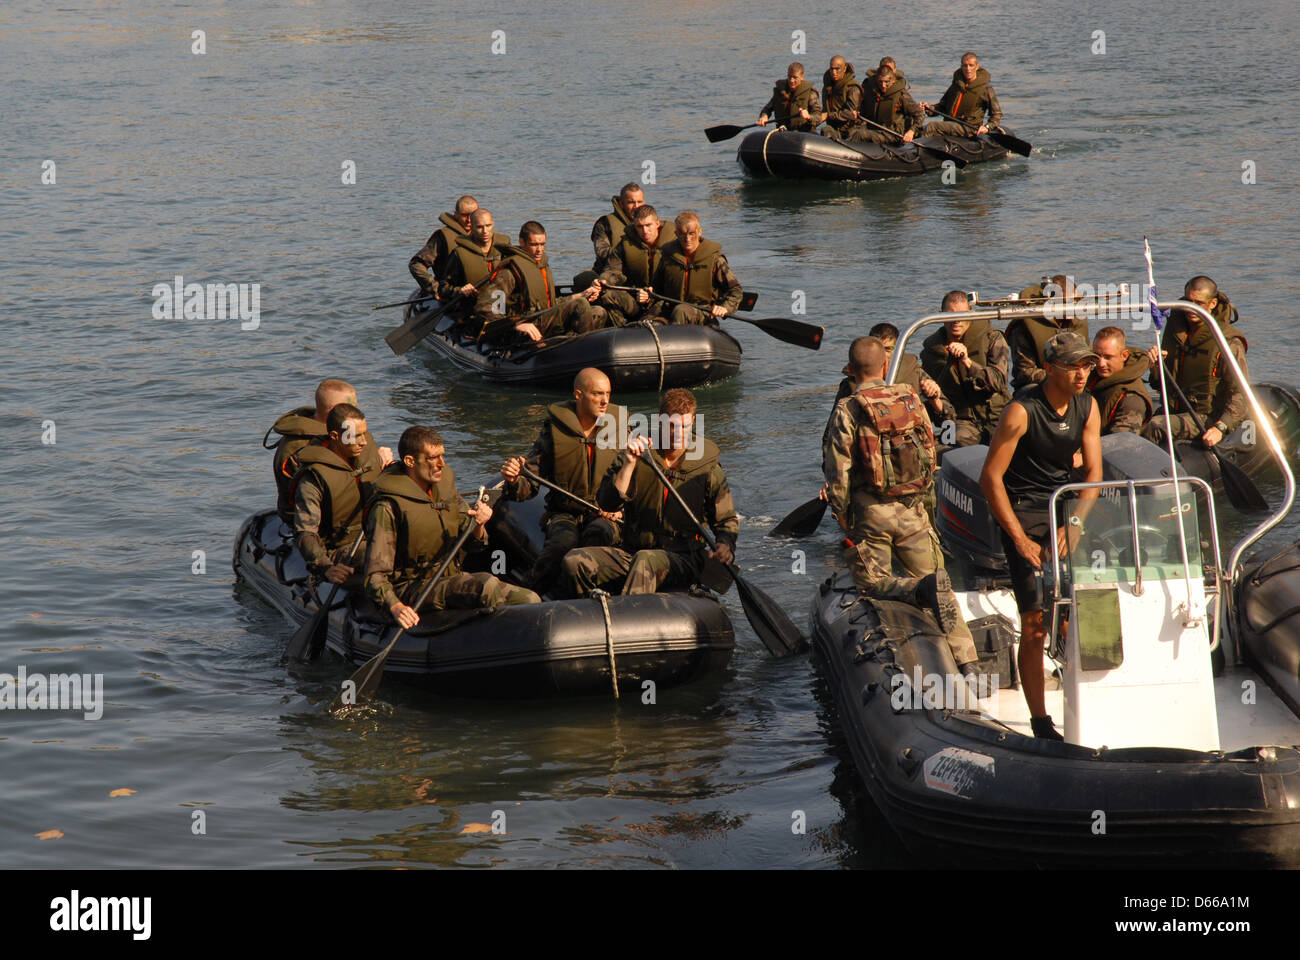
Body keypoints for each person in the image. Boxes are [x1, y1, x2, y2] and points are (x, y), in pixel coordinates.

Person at [824, 336, 979, 672]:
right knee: (943, 589)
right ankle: (969, 662)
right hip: (914, 510)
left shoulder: (848, 409)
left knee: (872, 587)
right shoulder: (910, 398)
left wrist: (844, 516)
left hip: (871, 514)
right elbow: (929, 451)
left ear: (851, 370)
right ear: (884, 365)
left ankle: (901, 662)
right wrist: (926, 505)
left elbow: (838, 473)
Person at [979, 332, 1102, 740]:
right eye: (1073, 365)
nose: (1082, 373)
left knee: (1081, 610)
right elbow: (990, 478)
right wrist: (1019, 539)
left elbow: (1094, 476)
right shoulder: (1021, 411)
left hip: (1064, 507)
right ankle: (1039, 720)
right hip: (1022, 512)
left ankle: (1091, 695)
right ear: (1050, 368)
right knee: (1034, 622)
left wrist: (1076, 524)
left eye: (1087, 364)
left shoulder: (1088, 406)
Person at [561, 389, 737, 596]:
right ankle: (589, 617)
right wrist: (628, 464)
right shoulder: (636, 453)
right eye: (672, 426)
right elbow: (607, 504)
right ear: (660, 422)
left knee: (646, 560)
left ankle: (628, 619)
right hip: (633, 552)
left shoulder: (708, 468)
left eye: (685, 426)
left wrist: (725, 544)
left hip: (684, 558)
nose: (679, 433)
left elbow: (726, 521)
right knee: (574, 561)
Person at [364, 426, 539, 628]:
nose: (442, 464)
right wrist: (395, 607)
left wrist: (479, 524)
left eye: (442, 456)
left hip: (450, 577)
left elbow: (474, 544)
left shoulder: (445, 489)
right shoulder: (388, 507)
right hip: (411, 587)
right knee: (486, 585)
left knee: (530, 599)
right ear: (410, 461)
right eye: (433, 458)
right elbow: (375, 577)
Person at [501, 368, 626, 596]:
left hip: (605, 514)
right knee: (561, 544)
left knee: (600, 534)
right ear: (579, 395)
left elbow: (635, 480)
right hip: (564, 514)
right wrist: (514, 480)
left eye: (608, 393)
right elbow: (531, 483)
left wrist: (621, 511)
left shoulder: (621, 429)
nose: (605, 400)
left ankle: (602, 597)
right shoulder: (554, 432)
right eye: (597, 394)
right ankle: (531, 596)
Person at [1142, 276, 1249, 450]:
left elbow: (1241, 394)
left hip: (1206, 417)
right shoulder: (1175, 332)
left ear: (1212, 304)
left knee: (1155, 426)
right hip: (1174, 410)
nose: (1191, 309)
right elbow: (1159, 384)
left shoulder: (1228, 342)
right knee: (1137, 425)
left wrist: (1221, 427)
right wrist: (1155, 365)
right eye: (1188, 302)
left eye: (1198, 303)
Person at [267, 378, 391, 520]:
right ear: (334, 411)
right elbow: (328, 491)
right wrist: (378, 461)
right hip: (313, 520)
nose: (355, 412)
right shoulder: (298, 451)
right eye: (351, 407)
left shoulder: (347, 433)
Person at [291, 403, 384, 589]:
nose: (364, 442)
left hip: (376, 532)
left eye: (364, 434)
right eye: (356, 436)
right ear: (335, 436)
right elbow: (305, 532)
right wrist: (324, 566)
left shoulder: (367, 452)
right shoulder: (313, 477)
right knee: (382, 552)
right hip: (342, 549)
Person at [474, 221, 605, 342]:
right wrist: (516, 325)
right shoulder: (509, 273)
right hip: (524, 327)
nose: (539, 250)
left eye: (542, 244)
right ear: (522, 242)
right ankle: (584, 352)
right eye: (534, 245)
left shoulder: (541, 266)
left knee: (598, 312)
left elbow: (550, 304)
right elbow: (488, 308)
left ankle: (575, 347)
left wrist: (581, 295)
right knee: (580, 305)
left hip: (544, 319)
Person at [919, 290, 1012, 446]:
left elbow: (998, 382)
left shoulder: (993, 338)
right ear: (941, 316)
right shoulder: (931, 352)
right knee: (954, 443)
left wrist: (967, 362)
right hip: (960, 421)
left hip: (997, 415)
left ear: (971, 314)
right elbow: (932, 404)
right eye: (950, 315)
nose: (956, 321)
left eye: (962, 315)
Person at [650, 212, 743, 325]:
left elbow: (735, 291)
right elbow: (656, 289)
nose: (687, 239)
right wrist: (648, 294)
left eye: (692, 234)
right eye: (682, 234)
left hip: (703, 313)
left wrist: (725, 308)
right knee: (650, 324)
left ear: (700, 232)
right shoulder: (667, 256)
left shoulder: (715, 260)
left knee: (681, 311)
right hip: (670, 310)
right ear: (676, 234)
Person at [592, 204, 676, 325]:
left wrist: (652, 294)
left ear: (657, 224)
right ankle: (622, 330)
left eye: (648, 225)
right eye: (640, 226)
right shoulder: (625, 244)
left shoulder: (674, 244)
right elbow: (612, 269)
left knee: (658, 313)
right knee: (608, 295)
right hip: (635, 298)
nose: (645, 231)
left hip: (661, 299)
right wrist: (603, 281)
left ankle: (646, 326)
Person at [1005, 275, 1090, 390]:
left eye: (1074, 302)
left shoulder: (1078, 320)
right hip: (1037, 390)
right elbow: (1024, 372)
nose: (1071, 308)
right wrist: (1062, 377)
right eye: (1065, 302)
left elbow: (1089, 357)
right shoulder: (1023, 327)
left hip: (1075, 384)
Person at [436, 208, 510, 324]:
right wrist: (460, 290)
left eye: (488, 225)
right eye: (480, 227)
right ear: (471, 227)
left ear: (493, 224)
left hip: (502, 308)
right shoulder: (459, 254)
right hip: (472, 313)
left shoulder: (505, 248)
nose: (485, 231)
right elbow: (443, 288)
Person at [921, 52, 1003, 138]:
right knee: (921, 129)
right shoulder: (956, 86)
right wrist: (929, 108)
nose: (968, 69)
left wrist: (987, 127)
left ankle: (918, 149)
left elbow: (997, 114)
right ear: (961, 67)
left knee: (932, 126)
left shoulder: (986, 89)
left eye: (971, 65)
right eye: (965, 65)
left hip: (969, 128)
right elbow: (942, 107)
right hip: (951, 125)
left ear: (977, 67)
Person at [1089, 326, 1153, 435]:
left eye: (1108, 357)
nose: (1100, 364)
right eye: (1096, 356)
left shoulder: (1132, 400)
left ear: (1124, 355)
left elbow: (1121, 444)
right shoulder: (1091, 376)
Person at [408, 195, 478, 295]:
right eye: (464, 215)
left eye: (473, 215)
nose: (469, 220)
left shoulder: (484, 235)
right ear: (456, 214)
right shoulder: (442, 237)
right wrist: (435, 288)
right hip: (450, 293)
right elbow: (416, 264)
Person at [851, 64, 924, 143]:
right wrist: (857, 114)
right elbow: (863, 112)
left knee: (860, 135)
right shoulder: (873, 93)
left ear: (893, 80)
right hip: (875, 131)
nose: (883, 85)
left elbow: (920, 115)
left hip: (893, 135)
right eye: (880, 82)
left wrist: (911, 132)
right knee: (852, 132)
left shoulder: (901, 95)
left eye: (886, 82)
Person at [591, 183, 645, 273]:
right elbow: (602, 254)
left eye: (639, 202)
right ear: (621, 204)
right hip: (609, 274)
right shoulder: (604, 223)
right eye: (631, 202)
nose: (636, 206)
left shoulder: (650, 223)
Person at [757, 62, 820, 132]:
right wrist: (764, 117)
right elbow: (767, 109)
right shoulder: (780, 91)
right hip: (784, 132)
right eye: (789, 77)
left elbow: (818, 116)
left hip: (805, 133)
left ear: (802, 77)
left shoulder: (810, 93)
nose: (791, 80)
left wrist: (809, 117)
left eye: (795, 77)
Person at [818, 56, 862, 140]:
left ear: (844, 69)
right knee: (825, 131)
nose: (834, 72)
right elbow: (824, 110)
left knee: (854, 135)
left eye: (837, 69)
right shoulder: (827, 88)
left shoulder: (852, 88)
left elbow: (850, 113)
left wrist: (829, 115)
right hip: (833, 128)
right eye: (832, 69)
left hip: (851, 129)